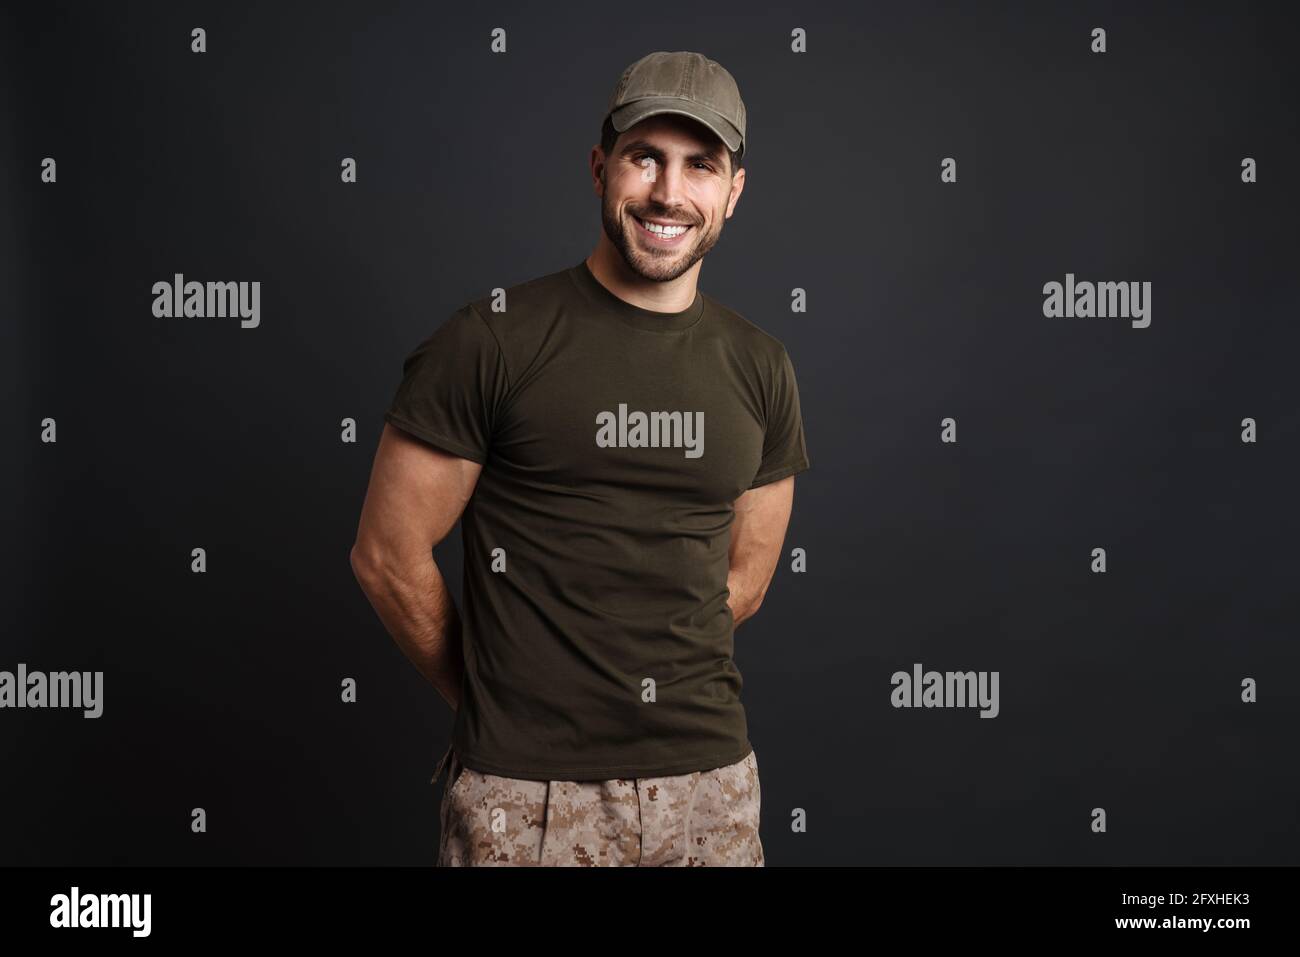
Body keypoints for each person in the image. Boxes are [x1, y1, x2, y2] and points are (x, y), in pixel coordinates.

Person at [351, 51, 810, 866]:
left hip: (711, 788)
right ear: (601, 167)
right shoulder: (490, 340)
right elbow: (387, 555)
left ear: (733, 191)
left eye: (700, 165)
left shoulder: (761, 365)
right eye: (645, 158)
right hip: (525, 797)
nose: (669, 193)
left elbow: (745, 579)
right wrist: (494, 693)